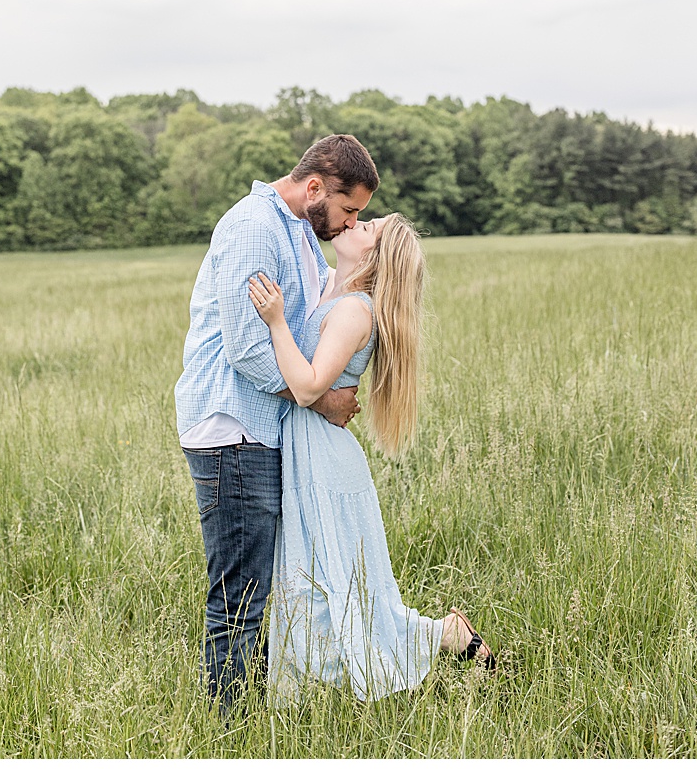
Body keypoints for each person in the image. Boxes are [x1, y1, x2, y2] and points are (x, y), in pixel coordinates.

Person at [247, 212, 497, 701]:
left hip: (322, 458)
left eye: (369, 229)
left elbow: (307, 388)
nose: (355, 224)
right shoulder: (333, 291)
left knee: (332, 587)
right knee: (315, 583)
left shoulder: (354, 312)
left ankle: (445, 636)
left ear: (374, 259)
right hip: (310, 453)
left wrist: (275, 321)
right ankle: (437, 638)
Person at [173, 134, 377, 706]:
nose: (349, 223)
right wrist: (322, 400)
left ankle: (258, 706)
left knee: (266, 584)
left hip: (264, 426)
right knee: (240, 596)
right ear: (314, 188)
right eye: (348, 209)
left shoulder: (303, 233)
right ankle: (229, 726)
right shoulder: (253, 227)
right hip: (234, 426)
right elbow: (246, 347)